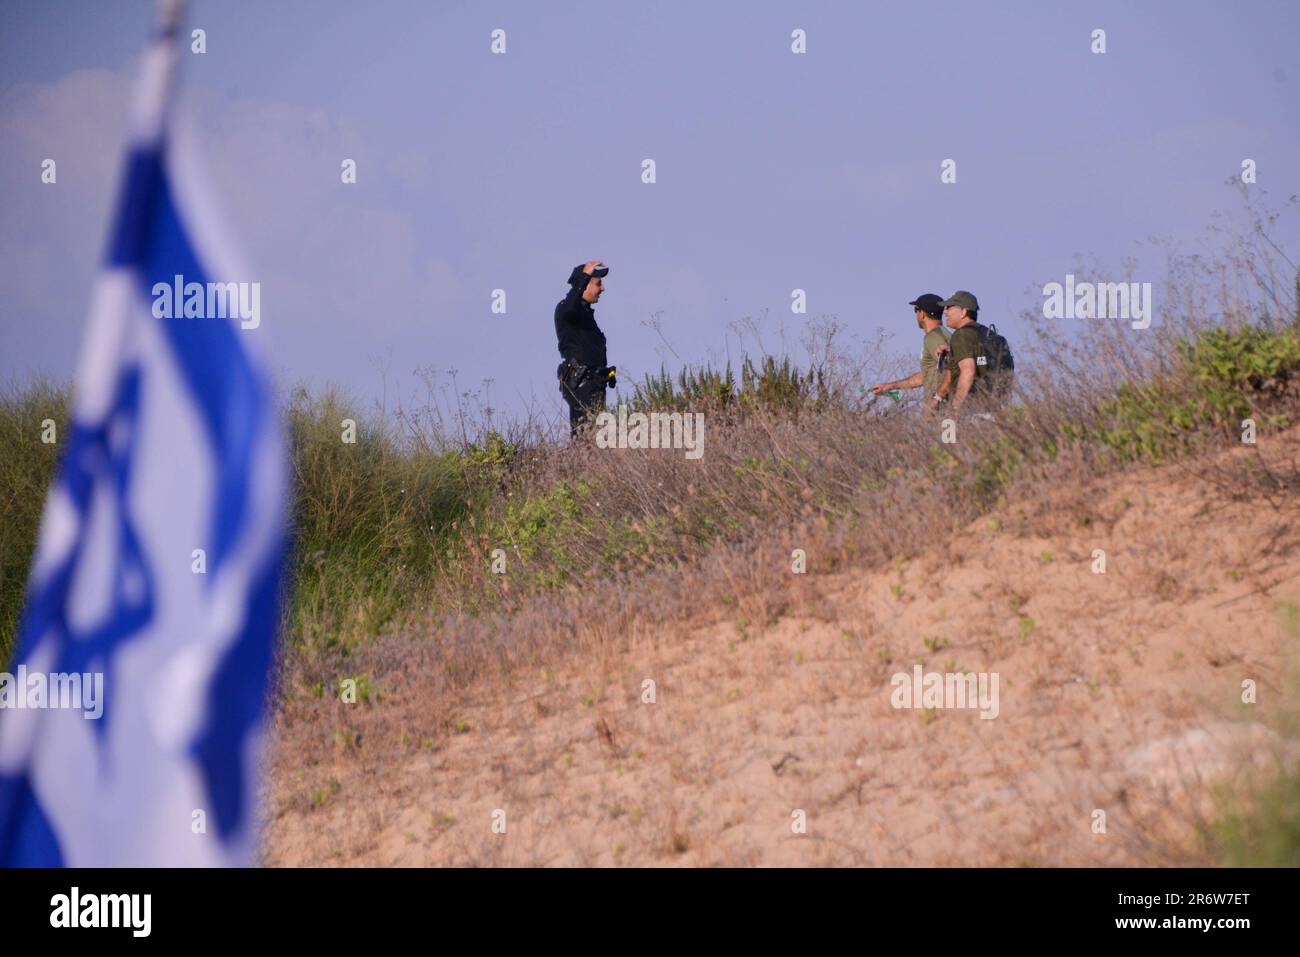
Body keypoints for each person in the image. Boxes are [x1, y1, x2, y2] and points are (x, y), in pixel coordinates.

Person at [555, 260, 616, 434]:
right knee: (586, 439)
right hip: (581, 385)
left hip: (593, 386)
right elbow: (569, 308)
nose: (602, 288)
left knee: (596, 438)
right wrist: (584, 277)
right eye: (598, 284)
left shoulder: (586, 313)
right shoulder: (566, 309)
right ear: (584, 286)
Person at [871, 293, 951, 410]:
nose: (915, 314)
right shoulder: (942, 334)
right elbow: (928, 375)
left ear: (922, 313)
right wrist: (890, 386)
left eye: (916, 310)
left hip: (943, 408)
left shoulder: (933, 337)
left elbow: (952, 367)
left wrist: (937, 399)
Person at [930, 290, 989, 413]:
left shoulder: (961, 335)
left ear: (963, 312)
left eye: (949, 308)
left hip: (969, 411)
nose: (945, 312)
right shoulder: (985, 334)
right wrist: (952, 351)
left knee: (948, 432)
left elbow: (968, 371)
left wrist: (955, 409)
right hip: (994, 410)